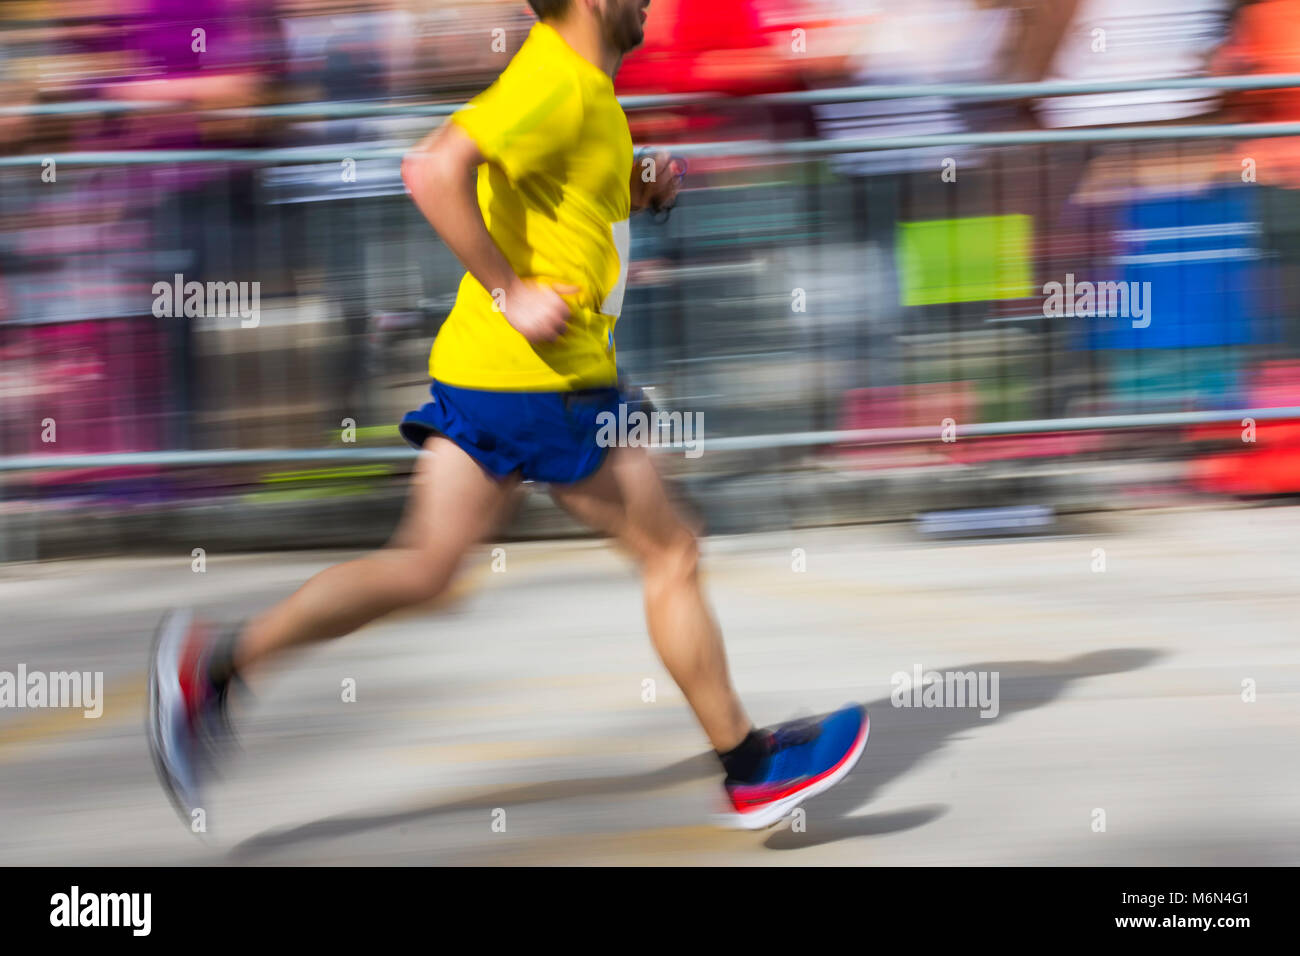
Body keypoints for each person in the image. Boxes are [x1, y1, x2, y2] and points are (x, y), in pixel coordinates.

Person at [147, 0, 867, 833]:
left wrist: (640, 187)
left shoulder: (582, 89)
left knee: (425, 570)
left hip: (486, 373)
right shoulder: (555, 78)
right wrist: (510, 292)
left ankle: (215, 670)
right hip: (542, 382)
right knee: (671, 549)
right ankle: (751, 771)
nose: (650, 5)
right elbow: (432, 168)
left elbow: (560, 204)